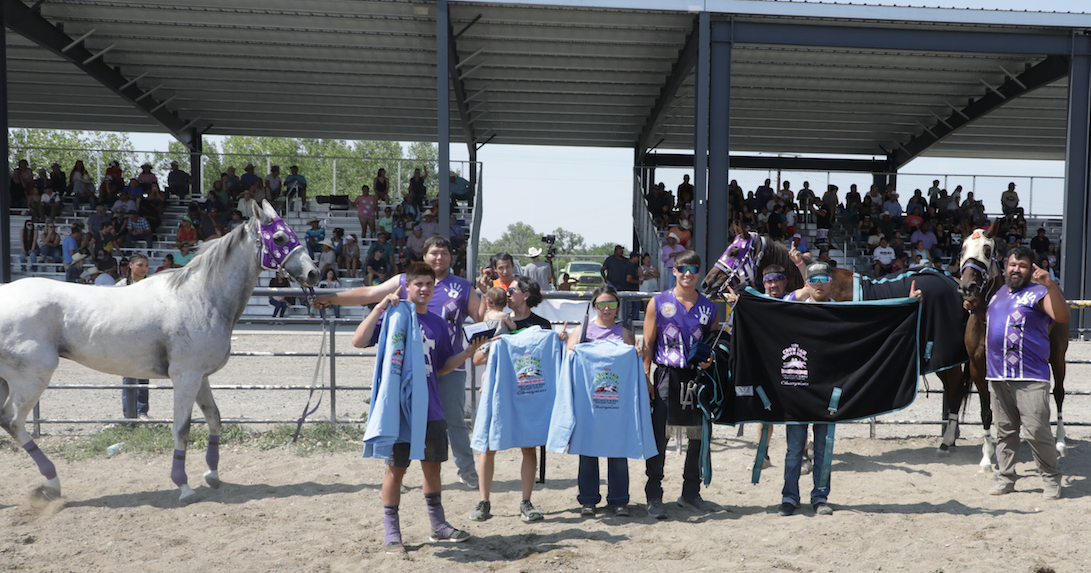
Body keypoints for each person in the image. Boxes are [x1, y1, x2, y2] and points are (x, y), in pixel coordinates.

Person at [320, 235, 486, 489]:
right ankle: (397, 471)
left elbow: (483, 317)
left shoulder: (463, 287)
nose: (439, 257)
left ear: (452, 257)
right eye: (434, 253)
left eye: (444, 253)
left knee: (453, 420)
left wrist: (489, 297)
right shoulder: (404, 281)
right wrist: (332, 298)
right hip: (409, 367)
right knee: (404, 417)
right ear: (424, 256)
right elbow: (369, 293)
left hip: (447, 362)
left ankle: (467, 470)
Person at [351, 262, 487, 552]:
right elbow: (358, 340)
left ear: (433, 287)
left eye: (429, 284)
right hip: (400, 410)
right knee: (395, 470)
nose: (424, 289)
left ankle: (438, 527)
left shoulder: (438, 323)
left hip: (432, 408)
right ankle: (392, 533)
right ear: (407, 287)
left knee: (433, 469)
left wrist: (468, 351)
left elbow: (441, 368)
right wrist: (378, 308)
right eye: (418, 284)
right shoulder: (393, 316)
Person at [469, 275, 564, 522]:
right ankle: (483, 501)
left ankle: (526, 501)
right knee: (488, 447)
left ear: (527, 295)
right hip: (500, 393)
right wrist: (494, 344)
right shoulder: (497, 321)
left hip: (527, 393)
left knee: (528, 447)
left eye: (512, 290)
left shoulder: (542, 325)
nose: (507, 293)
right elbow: (477, 359)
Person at [977, 247, 1068, 499]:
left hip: (1030, 376)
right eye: (1012, 264)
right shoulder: (997, 294)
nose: (1016, 269)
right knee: (1005, 432)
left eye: (1022, 265)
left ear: (1031, 270)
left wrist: (1050, 285)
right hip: (998, 376)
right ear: (1005, 266)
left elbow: (1061, 315)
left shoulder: (1040, 293)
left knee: (1037, 430)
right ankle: (1006, 477)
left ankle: (1050, 479)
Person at [642, 251, 719, 519]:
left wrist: (710, 362)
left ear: (699, 272)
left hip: (696, 379)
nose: (688, 273)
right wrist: (645, 377)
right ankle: (654, 495)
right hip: (666, 375)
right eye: (683, 268)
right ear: (674, 271)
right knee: (659, 437)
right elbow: (648, 343)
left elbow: (712, 344)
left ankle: (690, 492)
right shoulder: (658, 302)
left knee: (697, 437)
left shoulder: (710, 307)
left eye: (693, 268)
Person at [562, 285, 638, 517]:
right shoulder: (582, 329)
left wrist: (638, 355)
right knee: (588, 450)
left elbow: (630, 366)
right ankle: (588, 500)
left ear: (618, 306)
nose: (607, 308)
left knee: (617, 449)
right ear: (594, 305)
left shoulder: (624, 332)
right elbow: (569, 360)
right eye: (602, 304)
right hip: (589, 403)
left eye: (612, 304)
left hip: (615, 402)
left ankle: (619, 500)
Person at [115, 254, 151, 419]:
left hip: (146, 334)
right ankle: (128, 412)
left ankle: (142, 411)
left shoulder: (152, 286)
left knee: (143, 373)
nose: (143, 269)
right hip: (126, 335)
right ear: (130, 266)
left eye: (146, 266)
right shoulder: (121, 286)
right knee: (128, 373)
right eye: (140, 265)